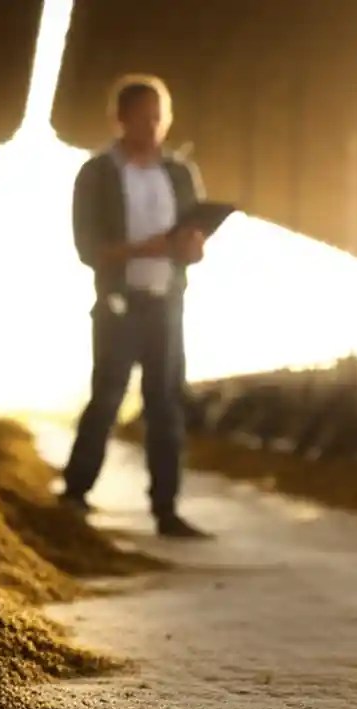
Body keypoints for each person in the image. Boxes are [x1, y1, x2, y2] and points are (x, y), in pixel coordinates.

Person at [61, 74, 211, 539]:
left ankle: (166, 509)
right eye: (143, 116)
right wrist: (143, 249)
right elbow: (88, 248)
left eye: (159, 117)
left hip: (167, 303)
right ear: (120, 119)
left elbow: (194, 243)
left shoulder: (180, 174)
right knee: (107, 395)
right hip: (118, 304)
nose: (152, 125)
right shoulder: (98, 174)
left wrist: (189, 247)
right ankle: (74, 495)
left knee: (165, 404)